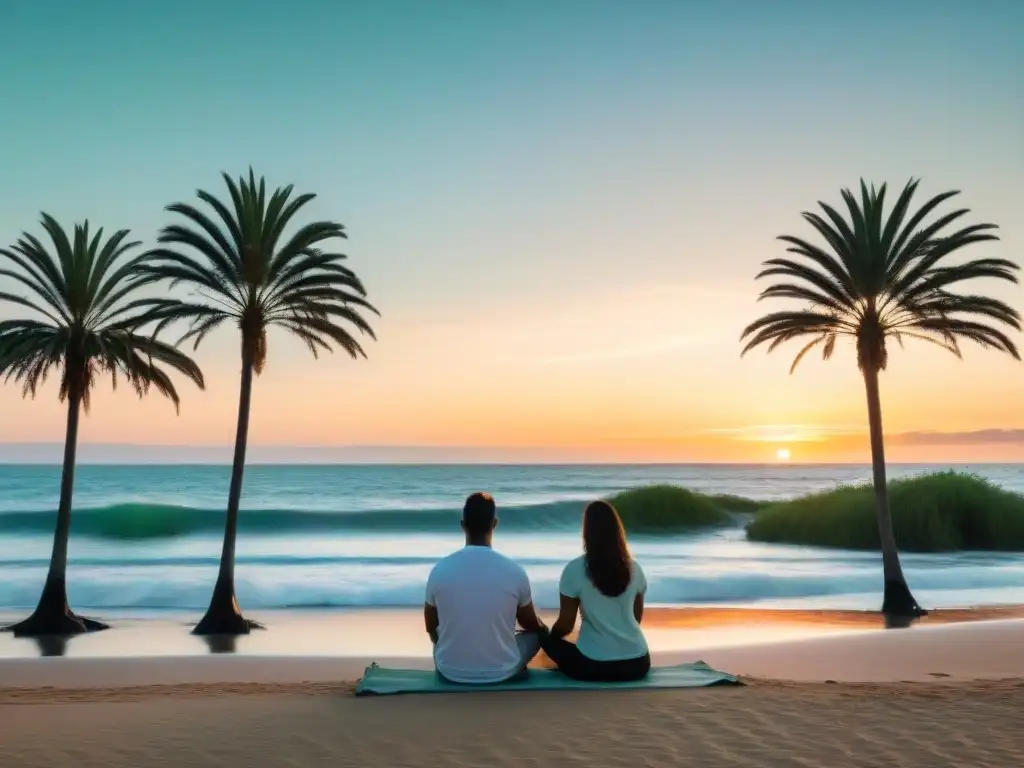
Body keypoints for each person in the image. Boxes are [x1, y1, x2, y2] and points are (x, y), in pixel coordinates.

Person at [424, 491, 547, 684]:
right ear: (494, 524)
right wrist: (541, 626)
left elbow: (431, 625)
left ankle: (456, 658)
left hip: (449, 670)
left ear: (463, 526)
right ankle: (504, 660)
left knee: (442, 634)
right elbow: (529, 624)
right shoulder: (515, 572)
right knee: (538, 633)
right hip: (503, 672)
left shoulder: (439, 570)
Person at [543, 499, 651, 681]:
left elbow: (566, 625)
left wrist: (551, 638)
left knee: (540, 634)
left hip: (593, 665)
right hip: (637, 664)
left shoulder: (575, 569)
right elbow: (636, 618)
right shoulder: (635, 569)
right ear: (618, 531)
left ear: (587, 533)